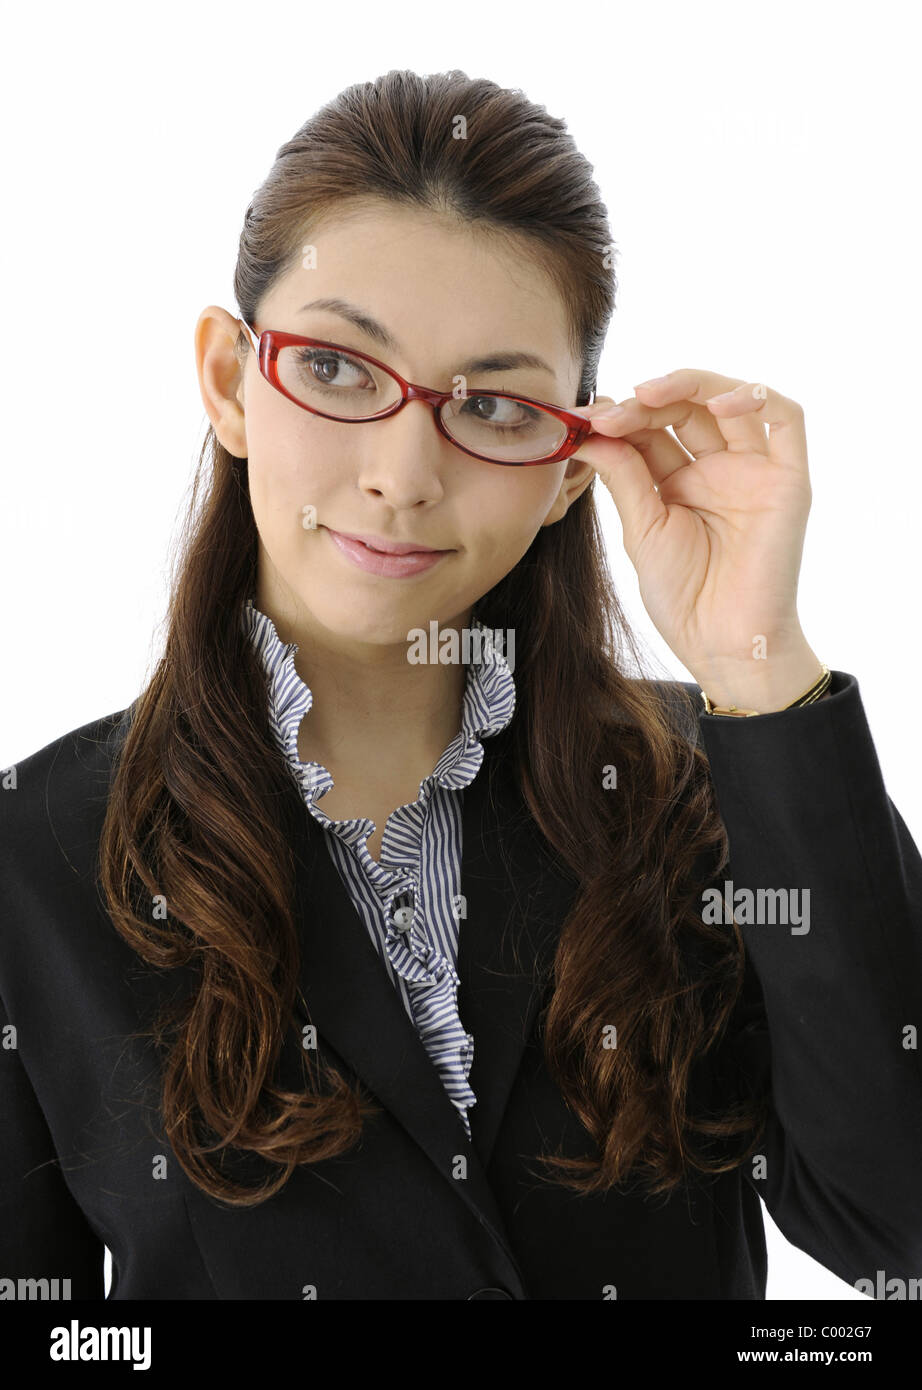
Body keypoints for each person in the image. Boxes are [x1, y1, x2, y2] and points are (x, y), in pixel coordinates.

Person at [1, 68, 920, 1302]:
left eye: (491, 405)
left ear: (571, 467)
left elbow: (895, 1226)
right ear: (228, 380)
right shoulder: (31, 856)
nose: (403, 474)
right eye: (337, 368)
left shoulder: (703, 791)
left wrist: (756, 659)